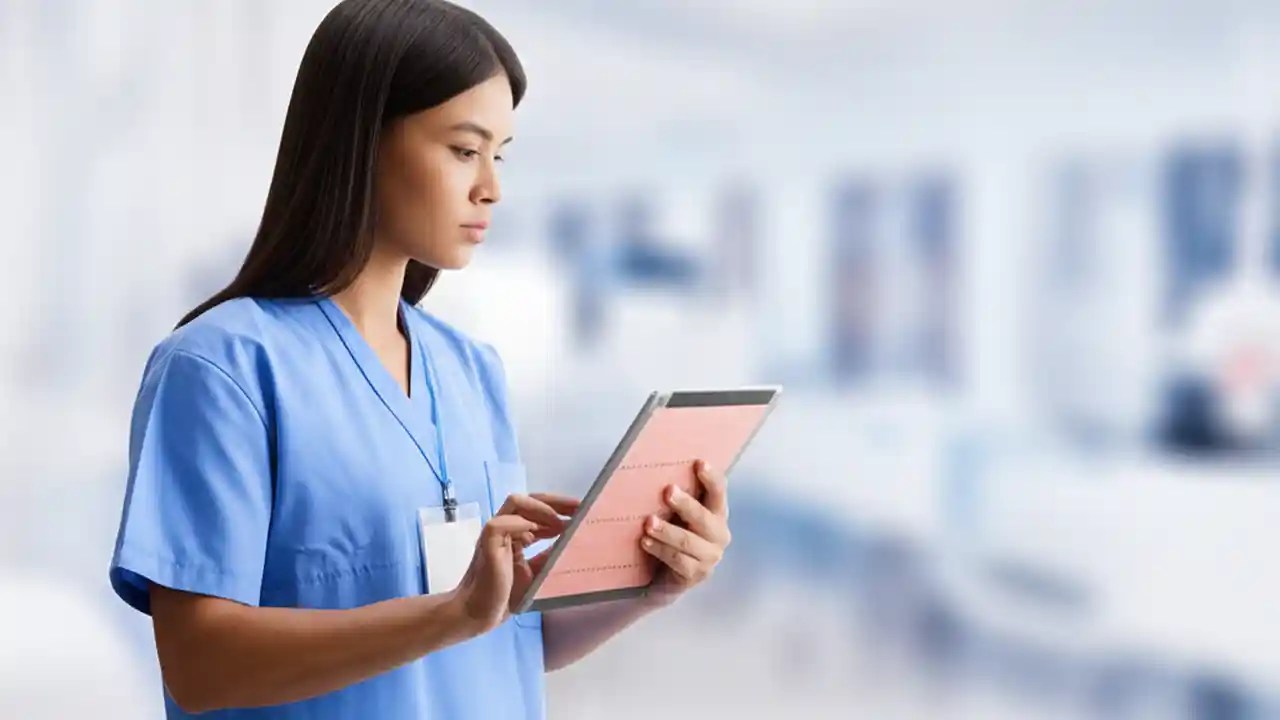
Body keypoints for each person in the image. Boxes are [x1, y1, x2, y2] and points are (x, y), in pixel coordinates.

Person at [107, 1, 733, 717]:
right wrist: (449, 613)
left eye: (500, 154)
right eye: (464, 150)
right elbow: (202, 664)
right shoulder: (223, 370)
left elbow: (504, 635)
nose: (492, 186)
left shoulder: (472, 372)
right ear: (360, 141)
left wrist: (650, 585)